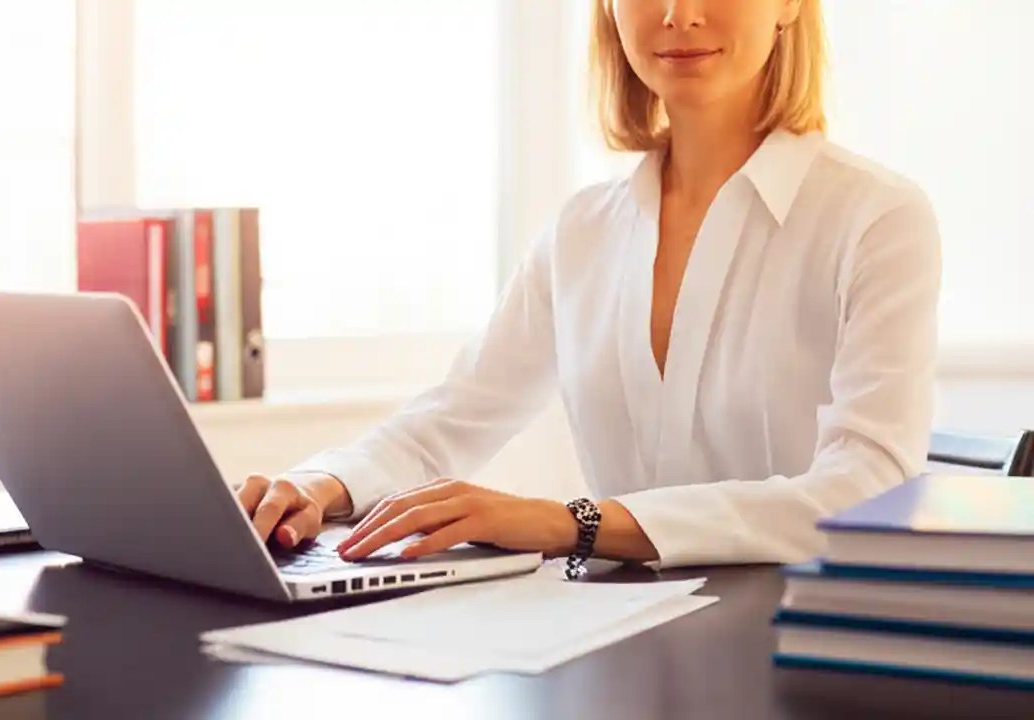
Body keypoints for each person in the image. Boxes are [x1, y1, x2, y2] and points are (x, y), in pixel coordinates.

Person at [235, 0, 940, 573]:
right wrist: (321, 486)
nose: (679, 12)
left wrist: (573, 522)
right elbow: (452, 419)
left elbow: (868, 486)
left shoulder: (876, 218)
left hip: (799, 641)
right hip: (613, 642)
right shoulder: (583, 230)